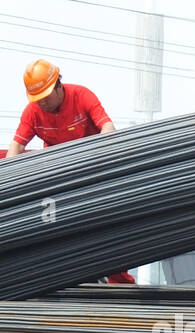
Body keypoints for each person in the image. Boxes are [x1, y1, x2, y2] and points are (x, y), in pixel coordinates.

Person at [7, 59, 134, 284]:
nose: (42, 103)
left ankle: (120, 284)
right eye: (37, 99)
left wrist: (103, 159)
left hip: (91, 172)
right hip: (57, 178)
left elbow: (108, 128)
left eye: (46, 97)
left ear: (58, 86)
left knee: (105, 231)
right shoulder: (33, 112)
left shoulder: (81, 96)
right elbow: (16, 146)